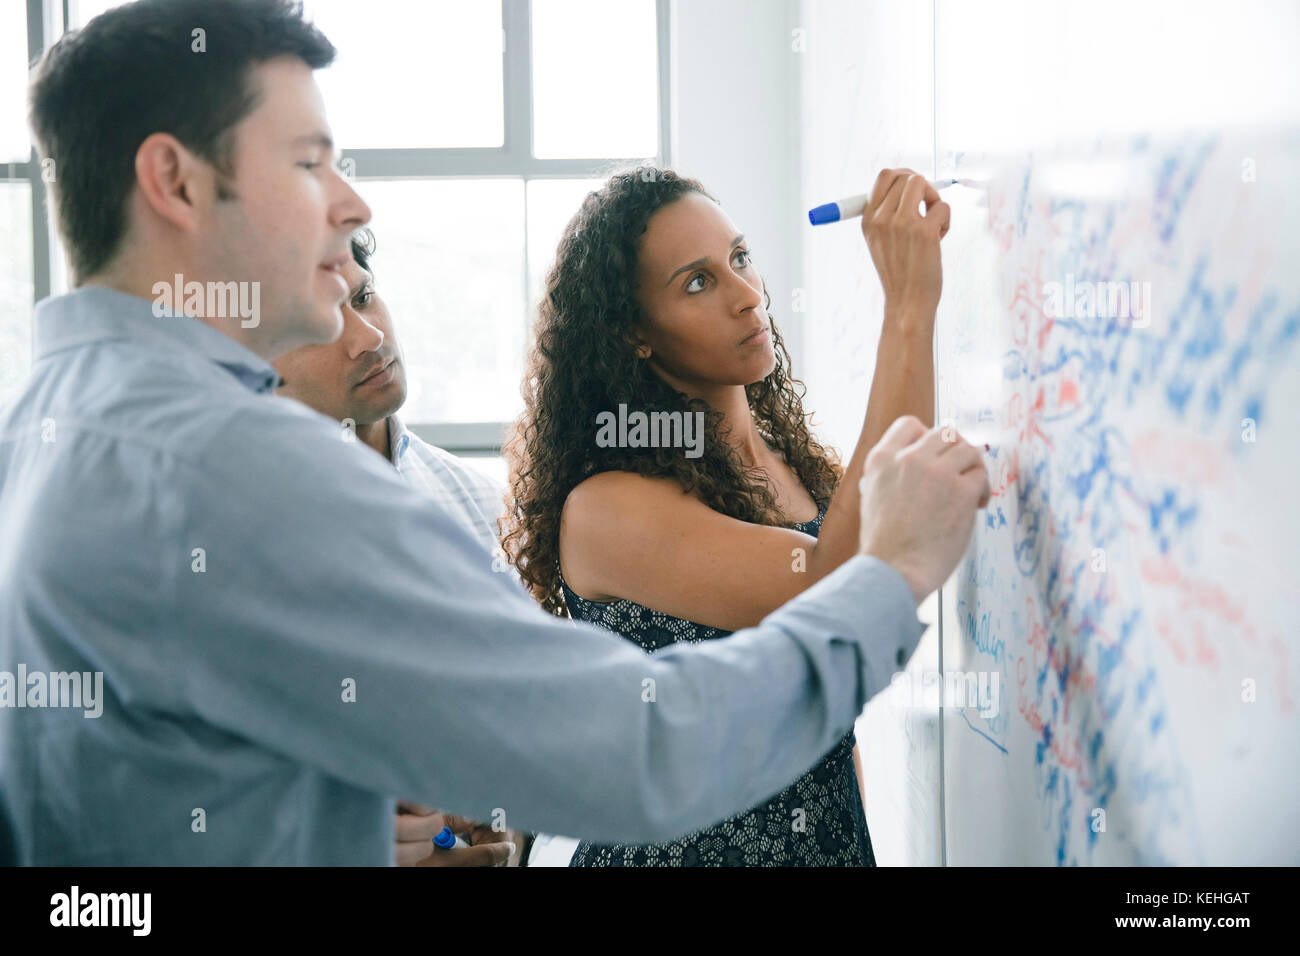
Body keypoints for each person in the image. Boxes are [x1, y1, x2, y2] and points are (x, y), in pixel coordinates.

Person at [0, 0, 988, 865]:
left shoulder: (39, 435)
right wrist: (890, 571)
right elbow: (639, 752)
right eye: (309, 164)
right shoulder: (235, 468)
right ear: (173, 182)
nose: (352, 204)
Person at [502, 166, 951, 865]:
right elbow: (842, 582)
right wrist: (909, 305)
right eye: (698, 282)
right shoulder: (606, 509)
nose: (747, 295)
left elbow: (830, 716)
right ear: (634, 335)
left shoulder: (801, 467)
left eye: (740, 259)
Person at [271, 226, 528, 867]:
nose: (369, 337)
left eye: (363, 297)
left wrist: (505, 829)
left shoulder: (479, 508)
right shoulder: (233, 546)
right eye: (320, 326)